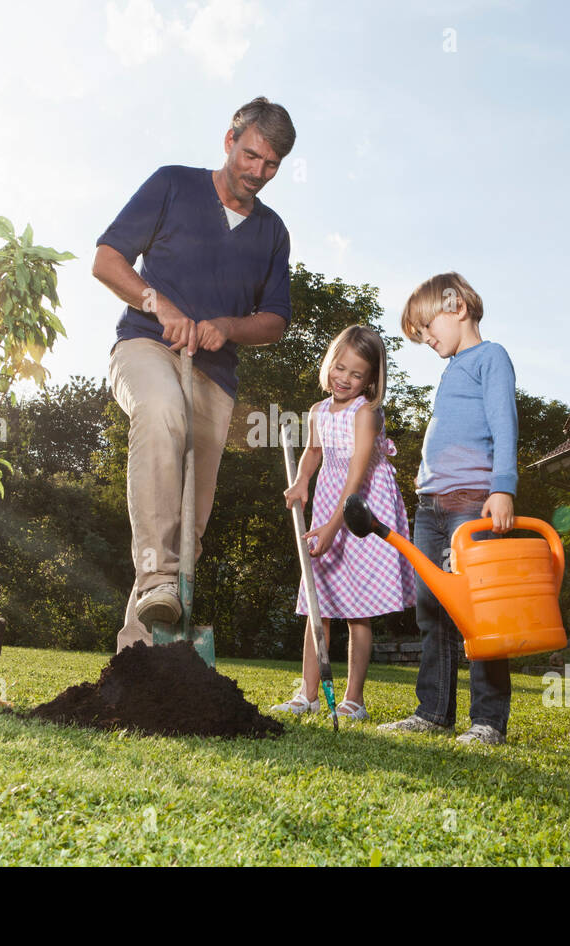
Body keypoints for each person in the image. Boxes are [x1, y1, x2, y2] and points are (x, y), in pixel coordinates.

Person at [92, 97, 296, 650]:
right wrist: (161, 305)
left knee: (188, 518)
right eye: (251, 155)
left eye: (272, 165)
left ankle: (144, 650)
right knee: (161, 411)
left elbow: (275, 319)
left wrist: (228, 326)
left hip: (214, 378)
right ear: (230, 140)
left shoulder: (272, 233)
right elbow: (107, 258)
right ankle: (158, 579)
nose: (258, 172)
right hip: (147, 346)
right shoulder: (172, 185)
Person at [377, 272, 519, 745]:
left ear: (456, 306)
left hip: (473, 503)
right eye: (417, 334)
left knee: (479, 610)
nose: (425, 337)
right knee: (430, 608)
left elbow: (504, 425)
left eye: (426, 325)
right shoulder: (452, 367)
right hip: (431, 507)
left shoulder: (490, 357)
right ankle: (434, 711)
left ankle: (488, 720)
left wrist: (503, 489)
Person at [274, 326, 416, 720]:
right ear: (329, 364)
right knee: (318, 604)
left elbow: (355, 480)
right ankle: (308, 693)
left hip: (362, 513)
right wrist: (302, 480)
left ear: (371, 380)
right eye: (340, 368)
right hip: (327, 511)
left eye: (356, 375)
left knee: (358, 610)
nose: (345, 379)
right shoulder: (318, 412)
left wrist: (334, 527)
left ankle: (354, 699)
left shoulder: (366, 413)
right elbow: (313, 453)